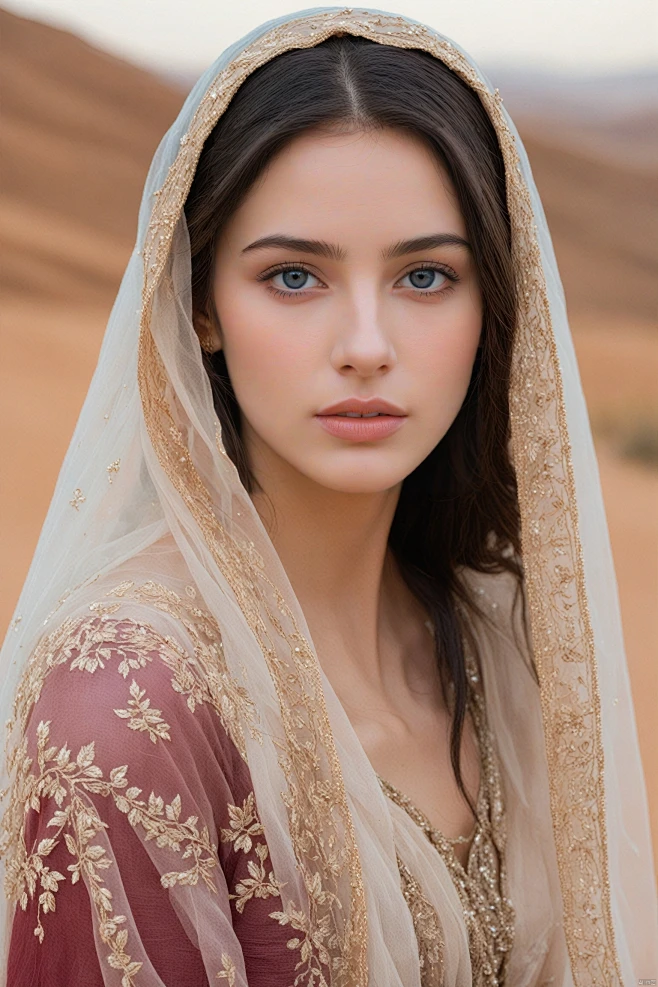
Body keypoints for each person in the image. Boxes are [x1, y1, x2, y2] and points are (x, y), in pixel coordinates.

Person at [0, 7, 655, 986]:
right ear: (200, 307)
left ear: (492, 308)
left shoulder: (490, 626)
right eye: (294, 275)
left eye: (426, 275)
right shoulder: (128, 703)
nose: (365, 344)